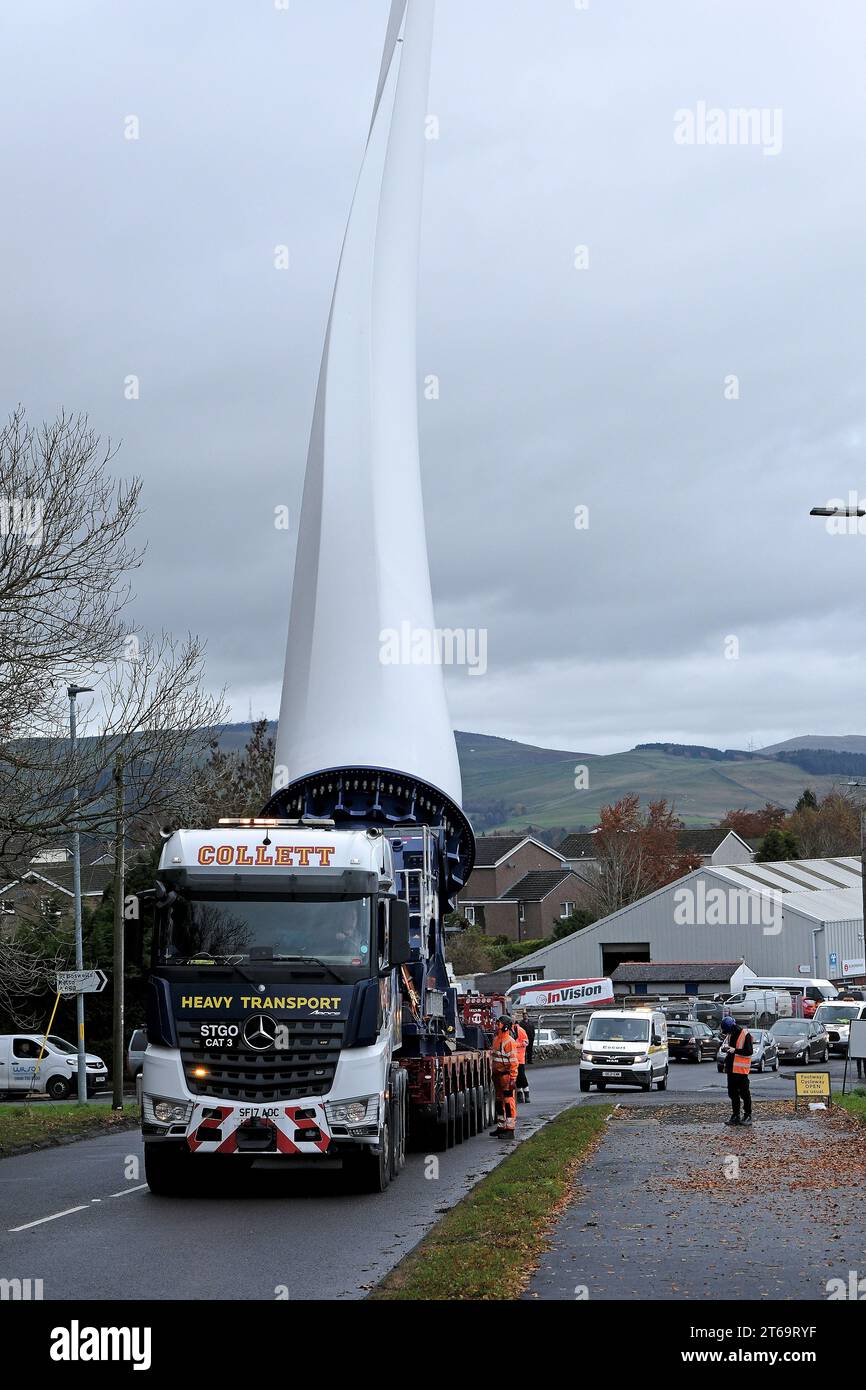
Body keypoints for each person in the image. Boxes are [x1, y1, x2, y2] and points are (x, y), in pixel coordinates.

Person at [720, 1013, 753, 1126]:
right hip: (731, 1069)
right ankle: (736, 1116)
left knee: (744, 1093)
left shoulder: (745, 1034)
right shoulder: (730, 1034)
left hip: (741, 1071)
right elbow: (730, 1048)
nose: (727, 1033)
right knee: (732, 1093)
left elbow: (749, 1051)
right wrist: (727, 1049)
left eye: (727, 1031)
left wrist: (735, 1050)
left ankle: (748, 1115)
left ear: (732, 1027)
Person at [489, 1014, 519, 1137]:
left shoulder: (509, 1042)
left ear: (505, 1026)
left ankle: (510, 1129)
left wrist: (512, 1079)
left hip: (506, 1076)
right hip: (497, 1075)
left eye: (499, 1024)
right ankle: (501, 1126)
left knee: (508, 1101)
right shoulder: (497, 1040)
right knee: (499, 1101)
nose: (497, 1026)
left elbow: (513, 1062)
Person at [512, 1016, 530, 1103]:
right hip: (512, 1058)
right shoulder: (508, 1031)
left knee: (521, 1076)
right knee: (516, 1077)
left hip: (519, 1058)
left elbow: (526, 1042)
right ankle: (519, 1093)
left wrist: (516, 1044)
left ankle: (526, 1093)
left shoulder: (520, 1030)